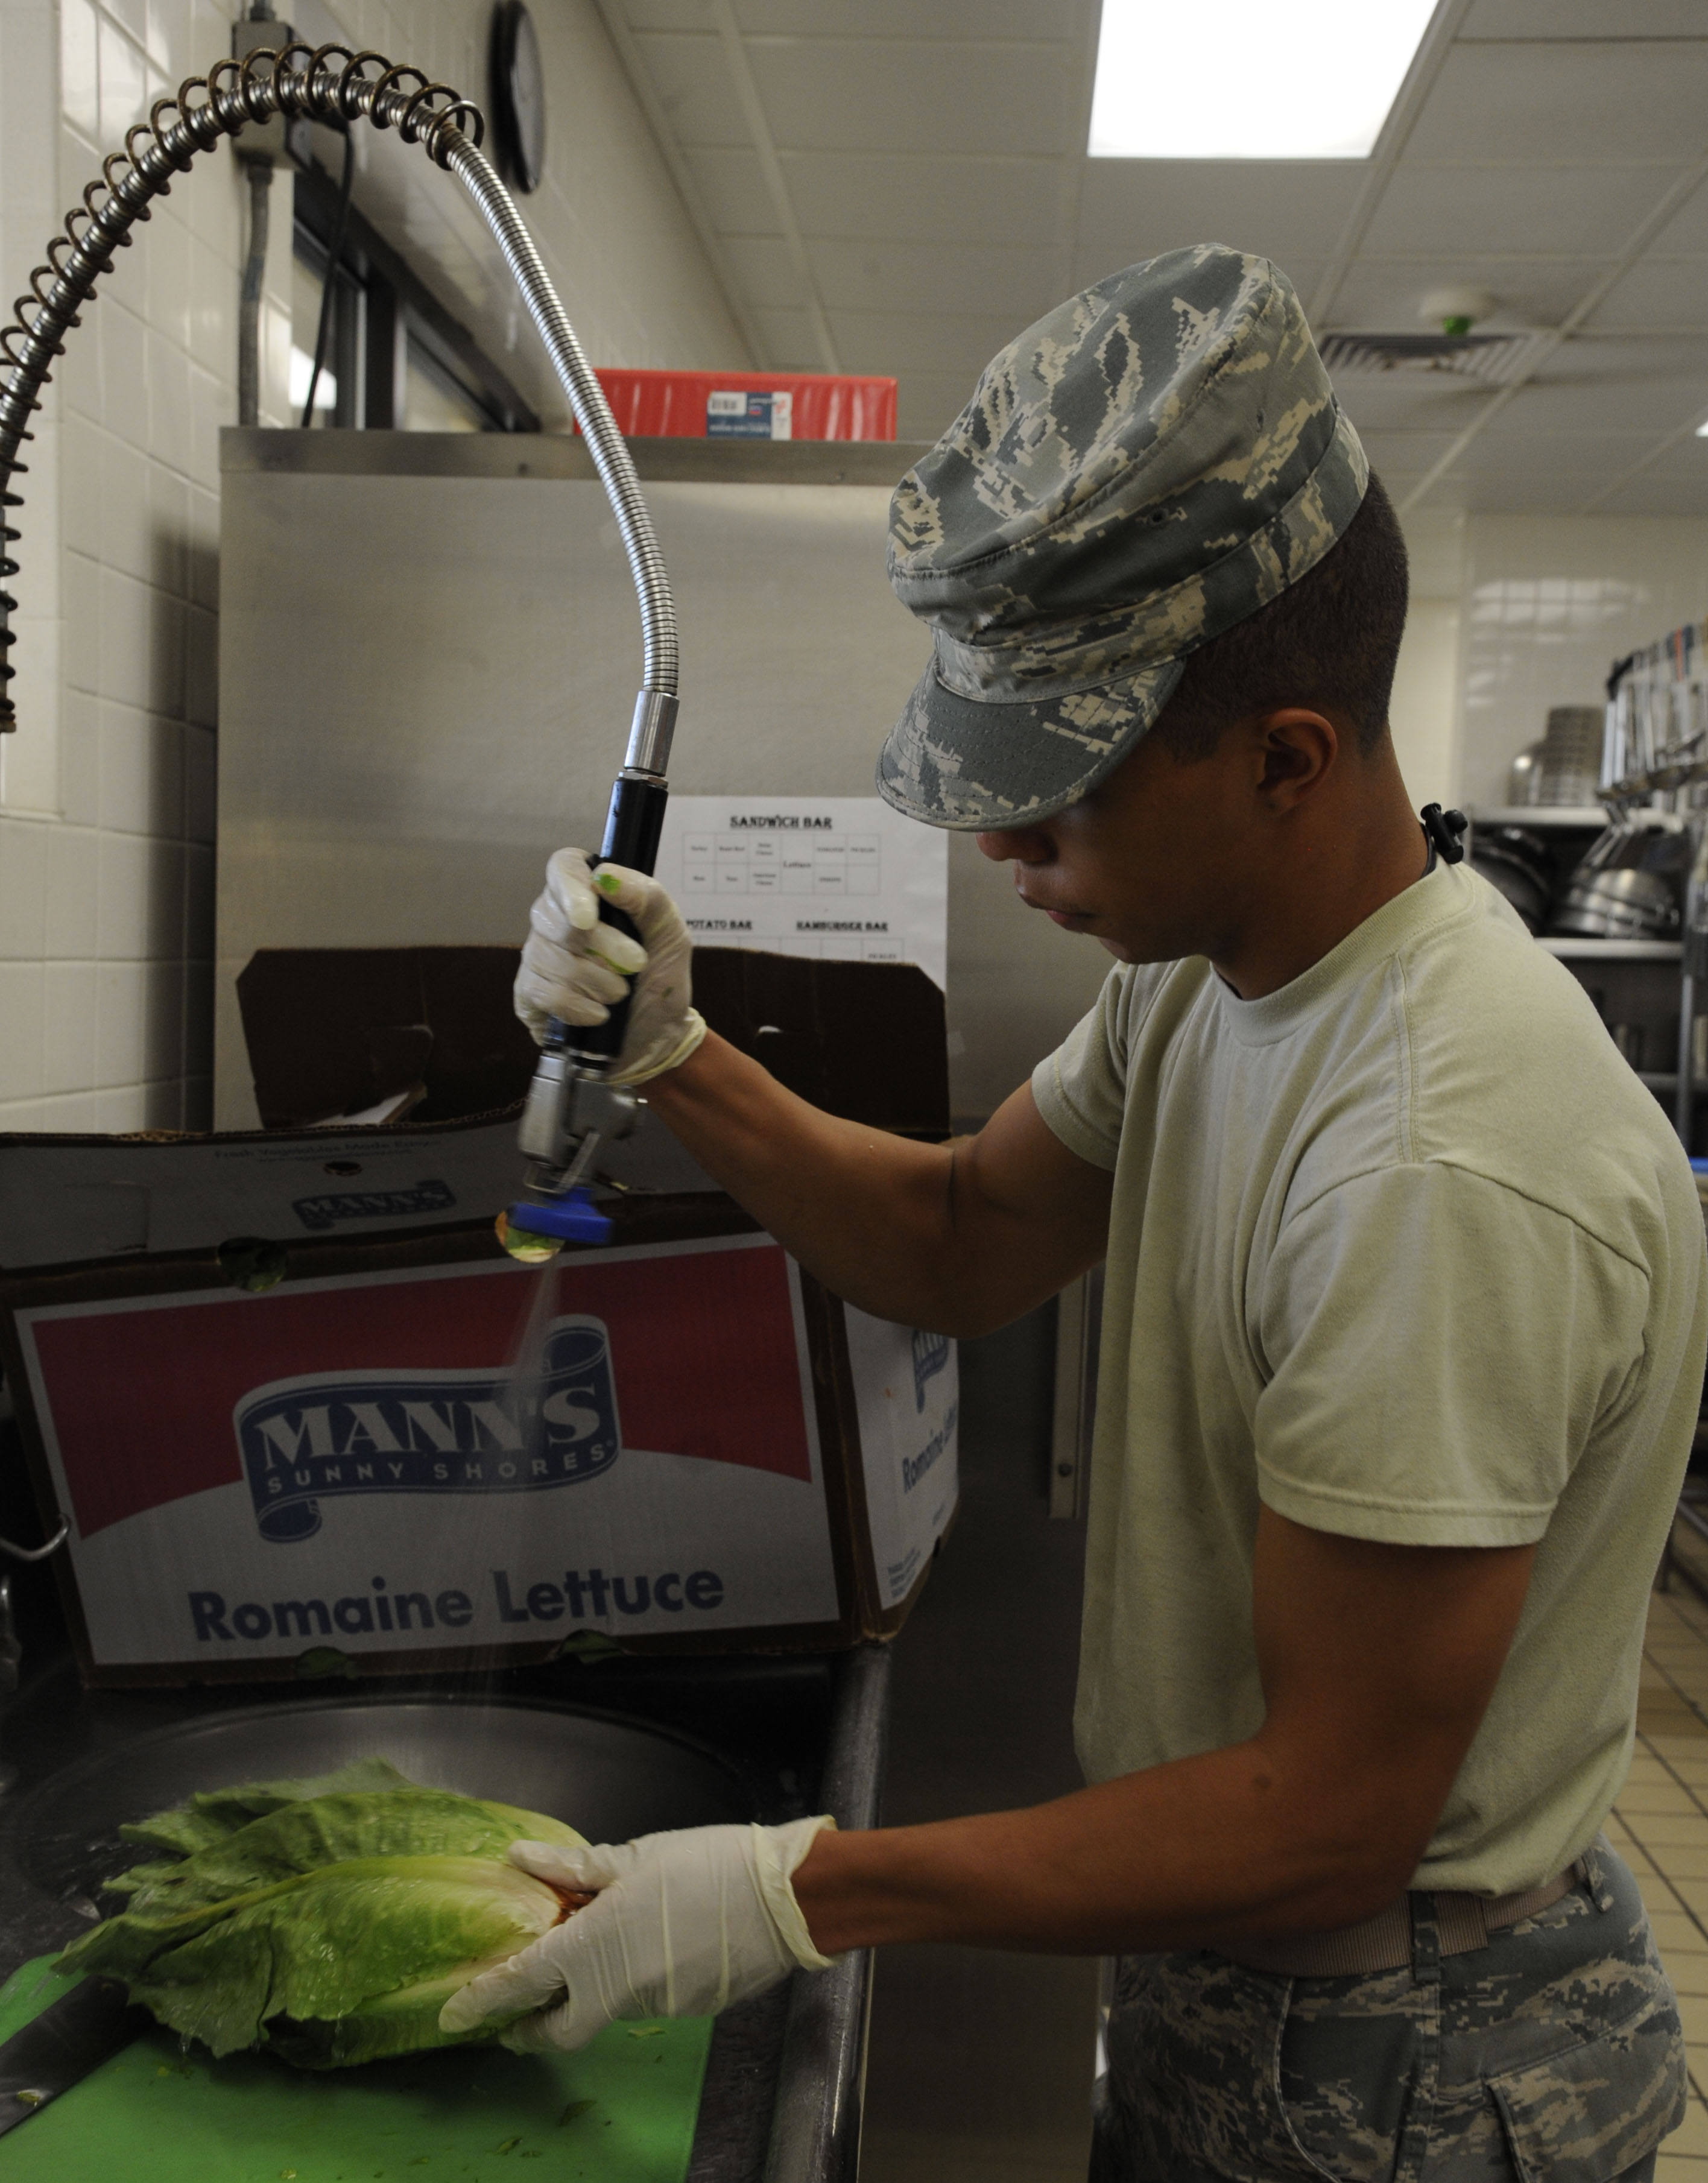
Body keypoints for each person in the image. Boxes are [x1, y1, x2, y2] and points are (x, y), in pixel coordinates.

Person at [441, 246, 1707, 2182]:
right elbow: (960, 1240)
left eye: (1056, 795)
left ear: (1288, 760)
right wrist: (670, 1048)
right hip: (1256, 1989)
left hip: (1408, 2070)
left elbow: (1326, 1812)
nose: (999, 846)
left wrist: (799, 1889)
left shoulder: (1442, 1156)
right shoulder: (1205, 983)